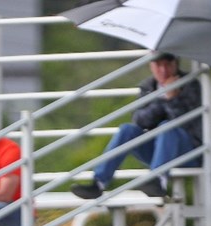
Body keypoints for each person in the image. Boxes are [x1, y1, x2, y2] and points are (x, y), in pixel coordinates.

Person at [71, 52, 199, 201]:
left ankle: (158, 181)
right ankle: (99, 183)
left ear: (176, 64)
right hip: (158, 150)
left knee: (167, 126)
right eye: (158, 65)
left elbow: (187, 123)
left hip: (188, 151)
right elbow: (140, 120)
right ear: (151, 66)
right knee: (127, 129)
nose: (163, 71)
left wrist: (172, 100)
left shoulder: (191, 84)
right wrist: (163, 97)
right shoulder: (148, 86)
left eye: (168, 65)